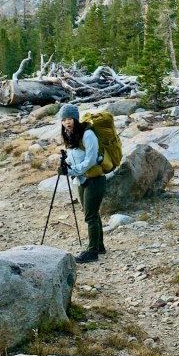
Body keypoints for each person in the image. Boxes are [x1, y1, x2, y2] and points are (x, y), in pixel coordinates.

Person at [59, 103, 107, 264]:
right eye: (64, 119)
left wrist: (72, 171)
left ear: (76, 118)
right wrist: (65, 164)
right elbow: (74, 156)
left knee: (90, 215)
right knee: (91, 213)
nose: (67, 122)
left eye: (70, 118)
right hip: (82, 179)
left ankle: (92, 252)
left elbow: (91, 160)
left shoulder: (88, 134)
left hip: (95, 179)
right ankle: (99, 246)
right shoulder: (69, 134)